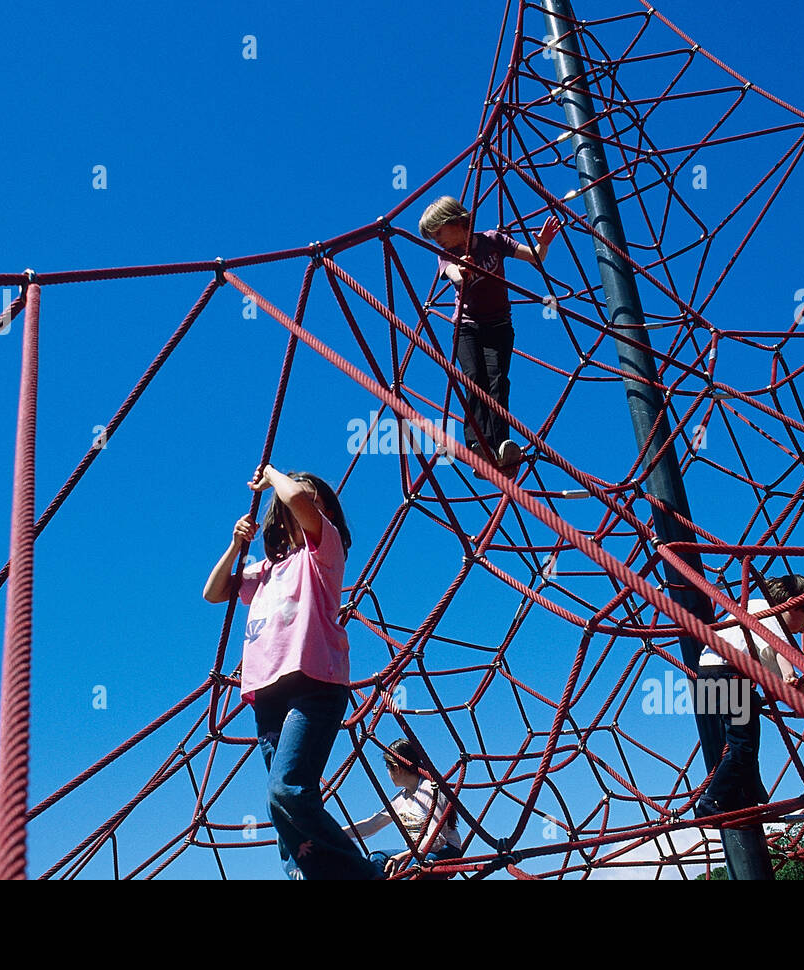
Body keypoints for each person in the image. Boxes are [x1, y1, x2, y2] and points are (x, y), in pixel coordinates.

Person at [203, 464, 379, 880]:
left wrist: (275, 476)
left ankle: (361, 873)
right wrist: (235, 546)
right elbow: (213, 592)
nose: (302, 503)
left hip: (315, 684)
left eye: (315, 502)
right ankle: (303, 874)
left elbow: (299, 501)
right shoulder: (263, 571)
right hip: (266, 695)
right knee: (282, 802)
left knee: (288, 790)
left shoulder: (324, 552)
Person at [418, 196, 560, 470]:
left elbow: (536, 257)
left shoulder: (493, 240)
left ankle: (501, 446)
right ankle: (477, 444)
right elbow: (456, 276)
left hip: (499, 325)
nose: (436, 239)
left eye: (438, 232)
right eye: (431, 236)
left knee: (498, 382)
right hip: (467, 327)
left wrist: (542, 243)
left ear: (455, 221)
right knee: (475, 379)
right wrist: (464, 270)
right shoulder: (446, 256)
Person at [694, 575, 804, 828]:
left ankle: (752, 791)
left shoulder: (752, 607)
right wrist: (796, 683)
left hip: (711, 677)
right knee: (742, 746)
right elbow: (786, 670)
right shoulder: (771, 617)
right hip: (726, 676)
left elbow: (784, 681)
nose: (803, 629)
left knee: (748, 737)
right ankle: (711, 801)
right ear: (793, 604)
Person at [342, 739, 462, 876]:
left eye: (388, 768)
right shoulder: (401, 799)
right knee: (377, 858)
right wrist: (331, 831)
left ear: (396, 768)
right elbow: (371, 824)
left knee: (408, 869)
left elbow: (437, 839)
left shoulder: (430, 789)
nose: (387, 774)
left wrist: (403, 856)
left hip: (446, 852)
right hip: (417, 853)